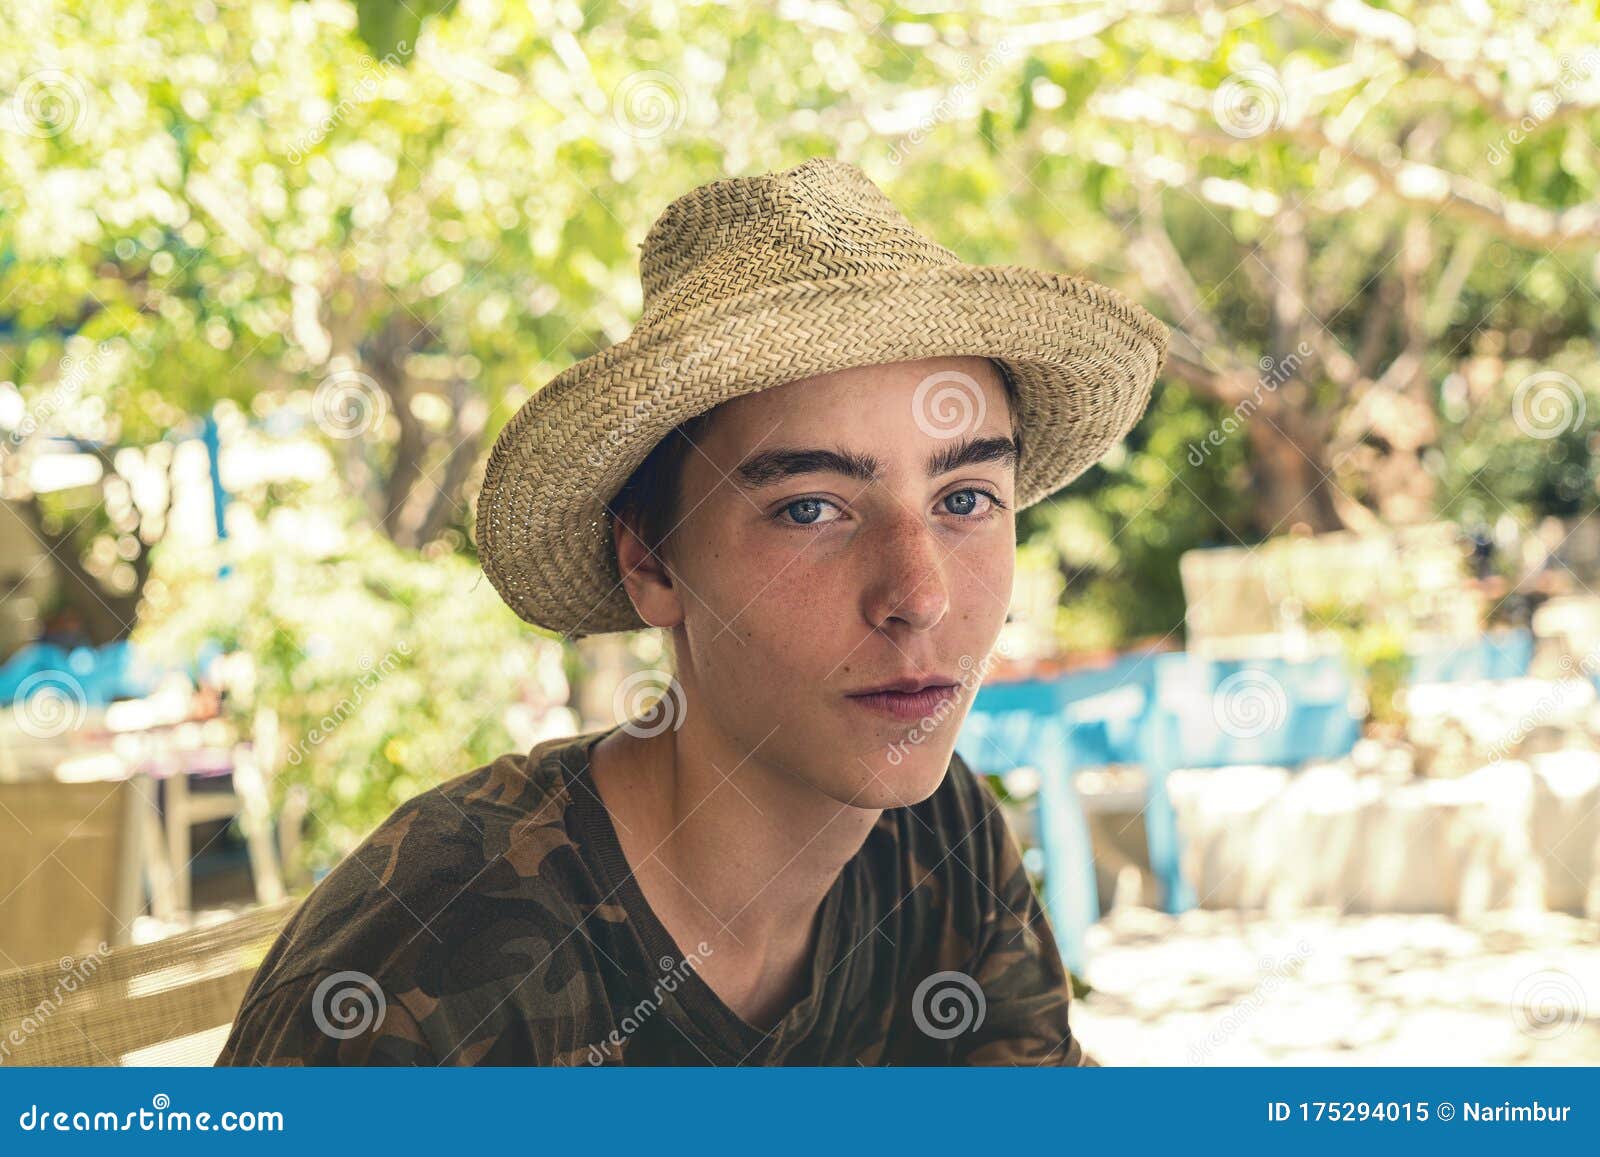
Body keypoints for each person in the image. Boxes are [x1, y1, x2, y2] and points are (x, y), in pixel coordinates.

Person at [216, 156, 1168, 1066]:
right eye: (810, 508)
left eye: (963, 500)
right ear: (651, 560)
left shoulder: (937, 843)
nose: (919, 595)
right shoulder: (434, 960)